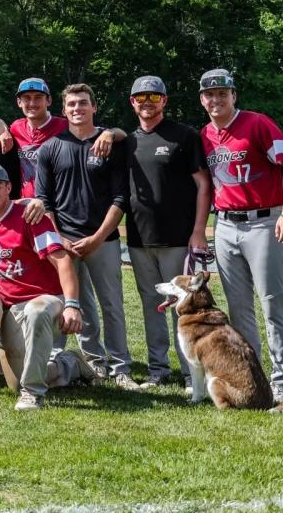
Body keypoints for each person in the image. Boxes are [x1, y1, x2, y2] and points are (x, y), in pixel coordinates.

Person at [198, 68, 283, 403]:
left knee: (273, 302)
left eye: (222, 93)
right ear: (202, 100)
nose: (216, 99)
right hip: (225, 225)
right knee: (239, 308)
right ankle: (253, 378)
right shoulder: (205, 134)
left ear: (234, 95)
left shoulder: (257, 123)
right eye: (209, 94)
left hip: (263, 222)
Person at [34, 83, 137, 389]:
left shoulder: (110, 144)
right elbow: (44, 200)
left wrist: (98, 236)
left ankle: (121, 367)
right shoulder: (51, 147)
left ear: (94, 107)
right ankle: (91, 362)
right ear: (63, 110)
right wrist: (58, 238)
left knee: (112, 305)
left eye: (82, 103)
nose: (77, 108)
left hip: (103, 239)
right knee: (71, 302)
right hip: (64, 240)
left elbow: (121, 198)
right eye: (71, 104)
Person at [0, 164, 89, 410]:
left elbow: (63, 260)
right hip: (12, 309)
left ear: (8, 187)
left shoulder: (31, 217)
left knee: (35, 312)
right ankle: (70, 364)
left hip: (46, 299)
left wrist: (72, 305)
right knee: (17, 380)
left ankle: (32, 393)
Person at [124, 76, 211, 389]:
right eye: (140, 97)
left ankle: (191, 374)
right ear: (132, 102)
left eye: (154, 96)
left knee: (185, 308)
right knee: (152, 307)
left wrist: (199, 231)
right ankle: (158, 370)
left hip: (178, 238)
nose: (147, 102)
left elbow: (204, 185)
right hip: (139, 239)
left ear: (164, 100)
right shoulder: (128, 141)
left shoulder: (184, 136)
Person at [10, 77, 118, 198]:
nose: (32, 103)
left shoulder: (65, 125)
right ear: (19, 102)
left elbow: (99, 132)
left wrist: (110, 133)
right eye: (26, 98)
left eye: (38, 97)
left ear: (49, 100)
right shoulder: (16, 128)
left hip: (58, 202)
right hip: (26, 202)